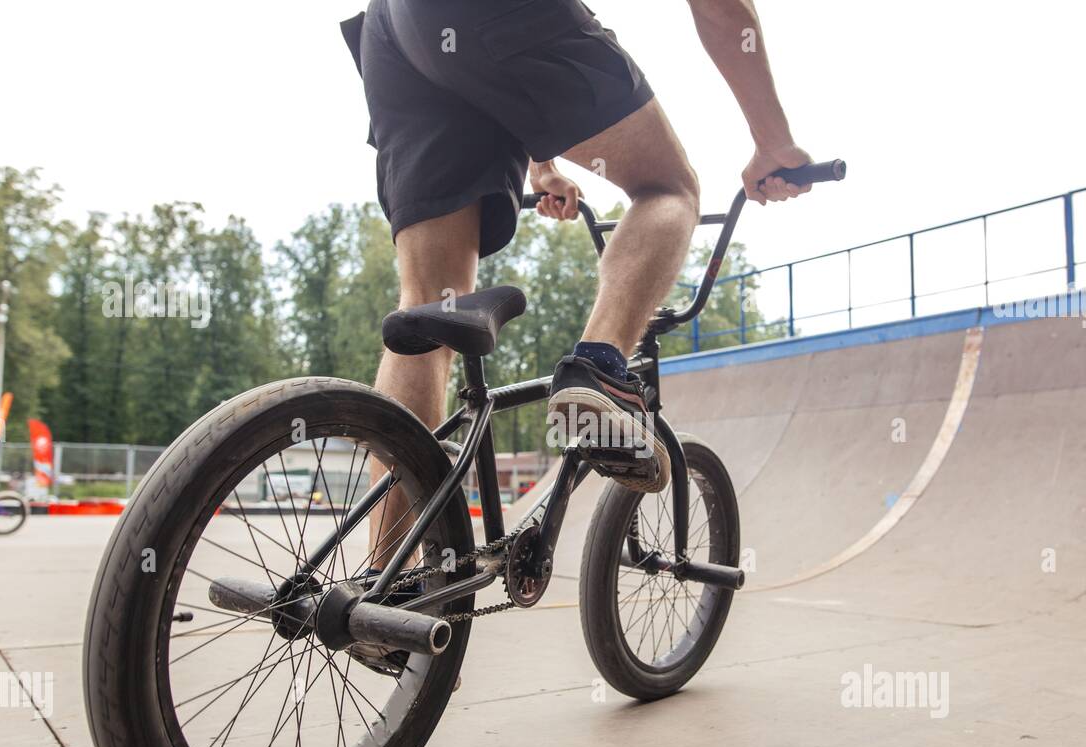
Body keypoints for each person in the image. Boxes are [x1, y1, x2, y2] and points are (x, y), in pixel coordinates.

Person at [342, 0, 813, 563]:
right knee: (669, 188)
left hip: (395, 30)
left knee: (428, 314)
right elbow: (721, 8)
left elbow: (501, 70)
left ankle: (383, 587)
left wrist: (542, 165)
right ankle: (600, 370)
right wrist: (772, 141)